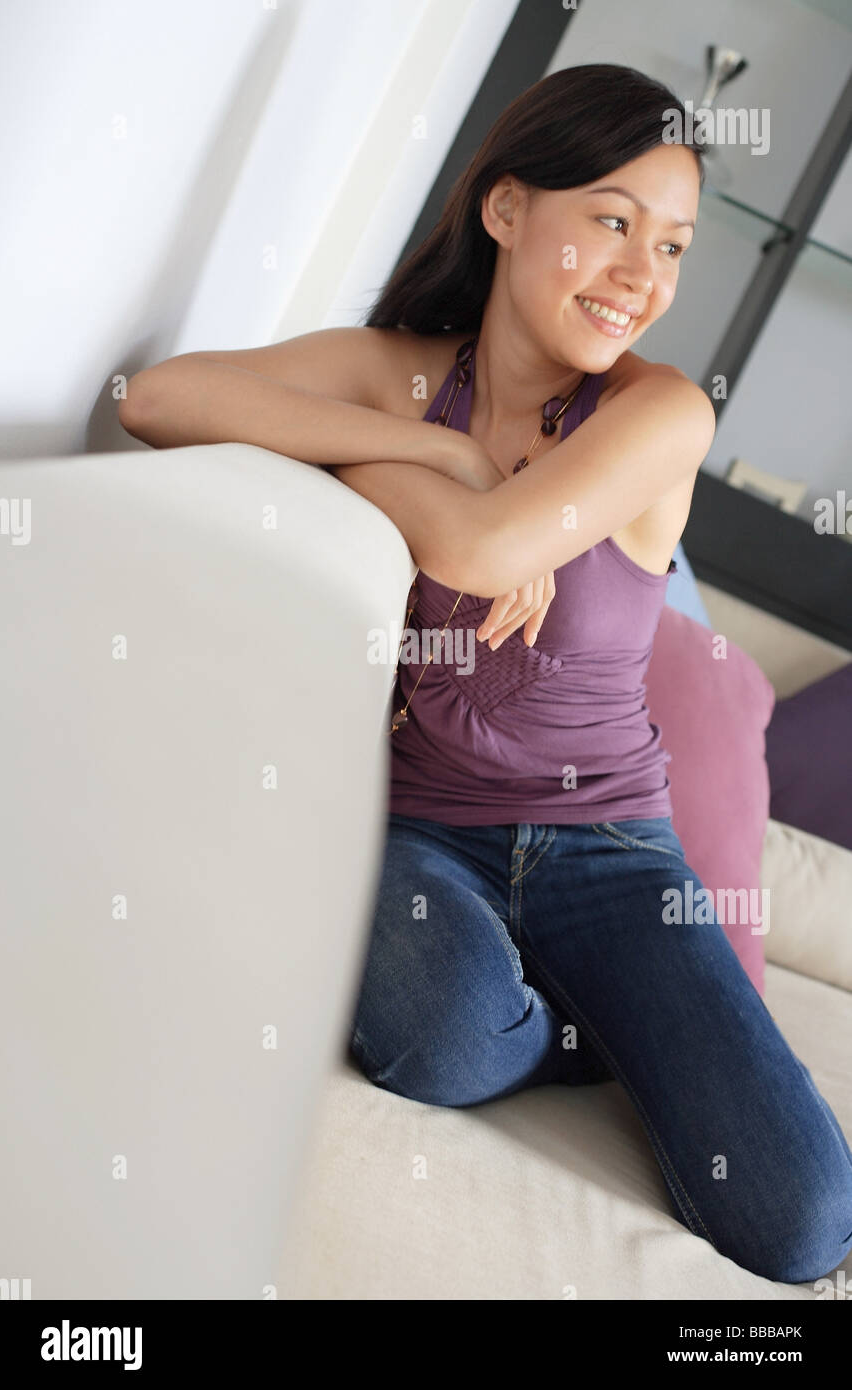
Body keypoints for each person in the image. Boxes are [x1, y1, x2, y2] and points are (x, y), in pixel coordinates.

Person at [119, 64, 852, 1288]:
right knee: (445, 1040)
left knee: (801, 1219)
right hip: (424, 834)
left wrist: (407, 482)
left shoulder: (660, 410)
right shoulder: (406, 378)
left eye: (669, 246)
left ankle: (599, 1003)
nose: (643, 276)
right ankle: (565, 1033)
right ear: (508, 211)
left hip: (611, 851)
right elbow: (155, 396)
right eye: (612, 222)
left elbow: (481, 548)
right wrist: (429, 446)